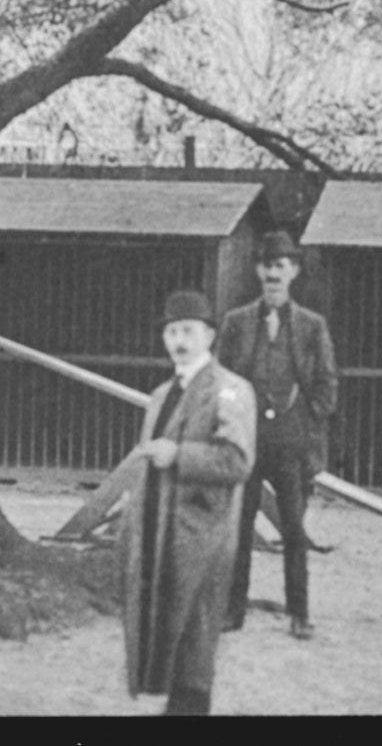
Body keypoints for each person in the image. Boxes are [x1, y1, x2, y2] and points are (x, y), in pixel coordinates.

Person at [122, 290, 256, 717]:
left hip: (199, 535)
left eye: (189, 331)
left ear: (210, 336)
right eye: (172, 331)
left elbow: (236, 460)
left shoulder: (229, 390)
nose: (179, 340)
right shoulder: (163, 393)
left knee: (193, 645)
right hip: (157, 534)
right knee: (157, 639)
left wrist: (179, 455)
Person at [218, 230, 338, 639]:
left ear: (294, 272)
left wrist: (308, 424)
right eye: (267, 265)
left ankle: (299, 613)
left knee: (293, 531)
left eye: (281, 266)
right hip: (247, 442)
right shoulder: (236, 322)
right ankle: (233, 611)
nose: (273, 274)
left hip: (291, 443)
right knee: (239, 528)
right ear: (257, 271)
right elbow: (220, 379)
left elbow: (326, 382)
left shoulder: (310, 326)